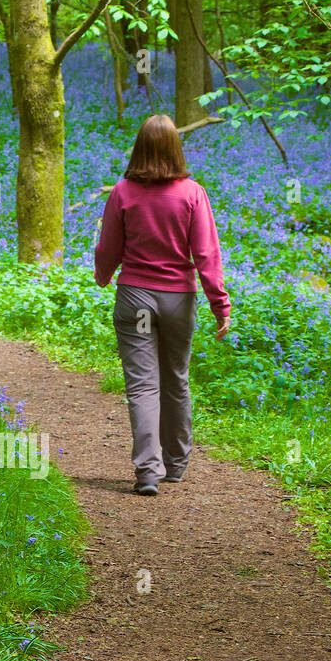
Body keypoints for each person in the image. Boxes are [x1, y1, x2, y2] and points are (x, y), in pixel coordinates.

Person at [94, 113, 231, 496]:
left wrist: (103, 275)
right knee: (176, 379)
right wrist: (220, 305)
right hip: (178, 302)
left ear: (139, 149)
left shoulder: (122, 192)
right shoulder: (192, 194)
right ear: (175, 149)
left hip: (136, 299)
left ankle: (148, 472)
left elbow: (108, 247)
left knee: (142, 386)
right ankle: (176, 463)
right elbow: (206, 255)